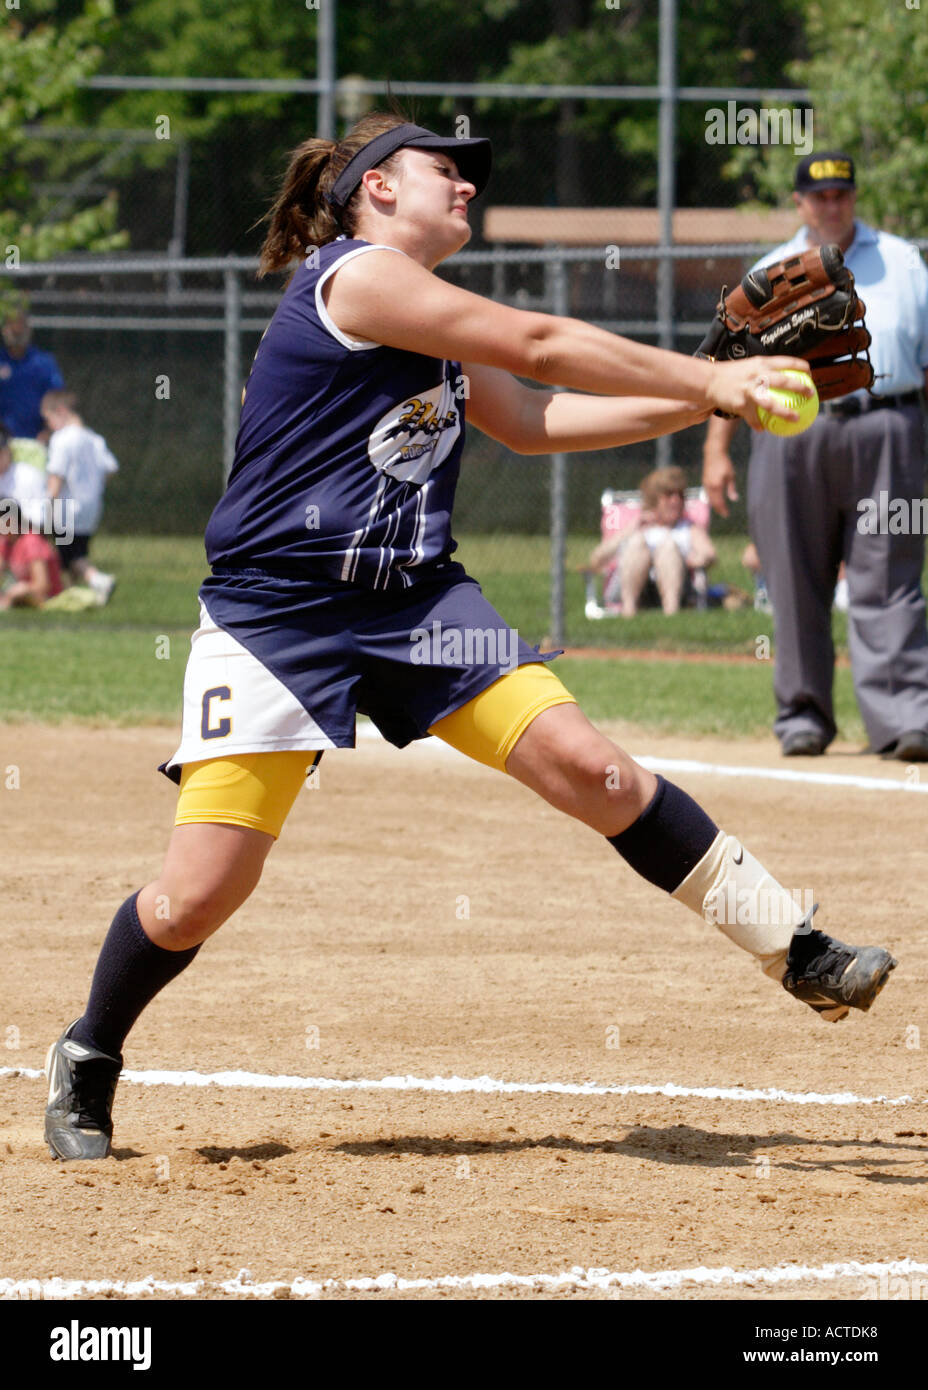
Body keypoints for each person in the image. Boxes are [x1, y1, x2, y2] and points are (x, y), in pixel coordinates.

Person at [44, 114, 895, 1162]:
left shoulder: (431, 328)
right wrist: (705, 381)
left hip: (417, 603)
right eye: (440, 169)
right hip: (281, 611)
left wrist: (715, 378)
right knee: (194, 896)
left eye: (466, 175)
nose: (464, 187)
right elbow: (537, 342)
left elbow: (534, 417)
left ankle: (795, 946)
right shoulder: (355, 279)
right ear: (374, 191)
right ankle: (88, 1050)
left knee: (597, 770)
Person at [702, 151, 928, 760]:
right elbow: (727, 371)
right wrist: (716, 451)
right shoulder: (771, 270)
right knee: (793, 574)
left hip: (891, 425)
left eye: (841, 194)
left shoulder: (903, 261)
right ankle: (802, 714)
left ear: (854, 197)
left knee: (892, 574)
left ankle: (906, 716)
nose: (832, 205)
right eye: (819, 196)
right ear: (799, 203)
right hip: (789, 430)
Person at [588, 465, 716, 616]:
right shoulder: (638, 526)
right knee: (637, 543)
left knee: (668, 546)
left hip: (678, 585)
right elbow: (596, 559)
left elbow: (710, 555)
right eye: (669, 495)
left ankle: (671, 612)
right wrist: (630, 530)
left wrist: (693, 560)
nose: (676, 500)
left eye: (680, 495)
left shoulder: (688, 528)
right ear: (655, 498)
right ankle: (629, 612)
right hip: (633, 585)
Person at [40, 390, 118, 604]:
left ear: (61, 411)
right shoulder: (94, 438)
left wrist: (46, 508)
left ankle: (99, 580)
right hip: (91, 508)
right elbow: (111, 467)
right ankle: (70, 593)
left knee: (69, 556)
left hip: (66, 509)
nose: (49, 425)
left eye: (48, 419)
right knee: (76, 553)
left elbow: (56, 476)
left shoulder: (62, 439)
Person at [0, 302, 65, 441]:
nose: (16, 330)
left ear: (28, 328)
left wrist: (47, 432)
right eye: (11, 325)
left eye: (20, 325)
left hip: (36, 441)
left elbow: (56, 398)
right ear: (4, 329)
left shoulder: (44, 363)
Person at [0, 497, 64, 608]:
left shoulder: (31, 542)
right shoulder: (7, 542)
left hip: (48, 598)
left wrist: (18, 590)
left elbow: (43, 586)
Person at [0, 421, 48, 530]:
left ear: (8, 450)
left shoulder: (29, 475)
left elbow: (42, 517)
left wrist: (16, 515)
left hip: (22, 535)